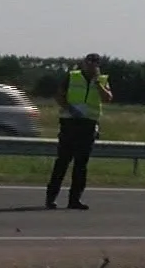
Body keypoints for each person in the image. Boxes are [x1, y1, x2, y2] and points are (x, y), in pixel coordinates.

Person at [46, 53, 113, 210]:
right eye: (89, 63)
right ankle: (50, 198)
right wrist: (70, 109)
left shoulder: (102, 80)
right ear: (83, 63)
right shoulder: (72, 76)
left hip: (88, 125)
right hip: (70, 122)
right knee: (62, 162)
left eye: (94, 64)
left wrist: (98, 84)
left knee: (81, 165)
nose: (91, 66)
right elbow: (59, 96)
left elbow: (107, 98)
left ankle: (74, 200)